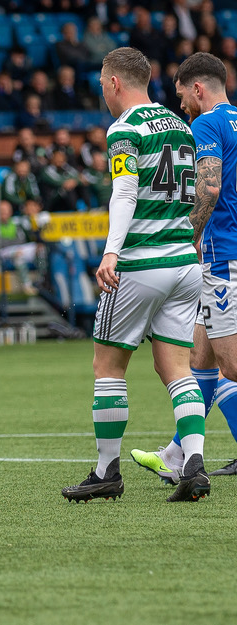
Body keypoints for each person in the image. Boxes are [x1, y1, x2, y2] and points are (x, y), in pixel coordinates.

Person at [61, 48, 207, 504]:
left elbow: (124, 193)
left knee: (108, 366)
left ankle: (107, 471)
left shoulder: (124, 129)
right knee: (177, 369)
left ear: (114, 83)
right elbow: (200, 189)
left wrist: (110, 252)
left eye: (103, 84)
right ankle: (195, 465)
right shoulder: (181, 126)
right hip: (184, 261)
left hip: (142, 263)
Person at [134, 52, 237, 480]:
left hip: (221, 252)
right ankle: (178, 453)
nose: (182, 106)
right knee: (201, 355)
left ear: (198, 88)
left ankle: (179, 453)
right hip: (230, 250)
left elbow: (208, 186)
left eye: (182, 96)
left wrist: (188, 239)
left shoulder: (207, 124)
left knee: (232, 363)